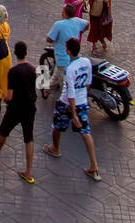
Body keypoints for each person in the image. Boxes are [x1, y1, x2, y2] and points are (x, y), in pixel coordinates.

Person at [43, 37, 102, 181]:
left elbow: (70, 93)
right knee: (85, 132)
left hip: (67, 104)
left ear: (68, 51)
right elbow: (88, 82)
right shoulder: (86, 62)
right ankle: (94, 165)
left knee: (57, 125)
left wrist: (73, 115)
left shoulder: (70, 69)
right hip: (82, 102)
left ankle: (55, 148)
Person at [0, 41, 37, 183]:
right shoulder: (35, 68)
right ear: (27, 52)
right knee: (28, 138)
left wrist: (4, 99)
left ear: (15, 53)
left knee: (3, 131)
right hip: (30, 107)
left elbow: (9, 96)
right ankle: (29, 172)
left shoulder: (13, 72)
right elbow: (44, 87)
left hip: (16, 108)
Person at [44, 3, 89, 97]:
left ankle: (63, 102)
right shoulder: (77, 21)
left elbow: (49, 39)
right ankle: (46, 90)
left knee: (64, 85)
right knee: (57, 74)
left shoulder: (59, 24)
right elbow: (87, 24)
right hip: (73, 58)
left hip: (62, 59)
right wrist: (82, 32)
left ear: (64, 13)